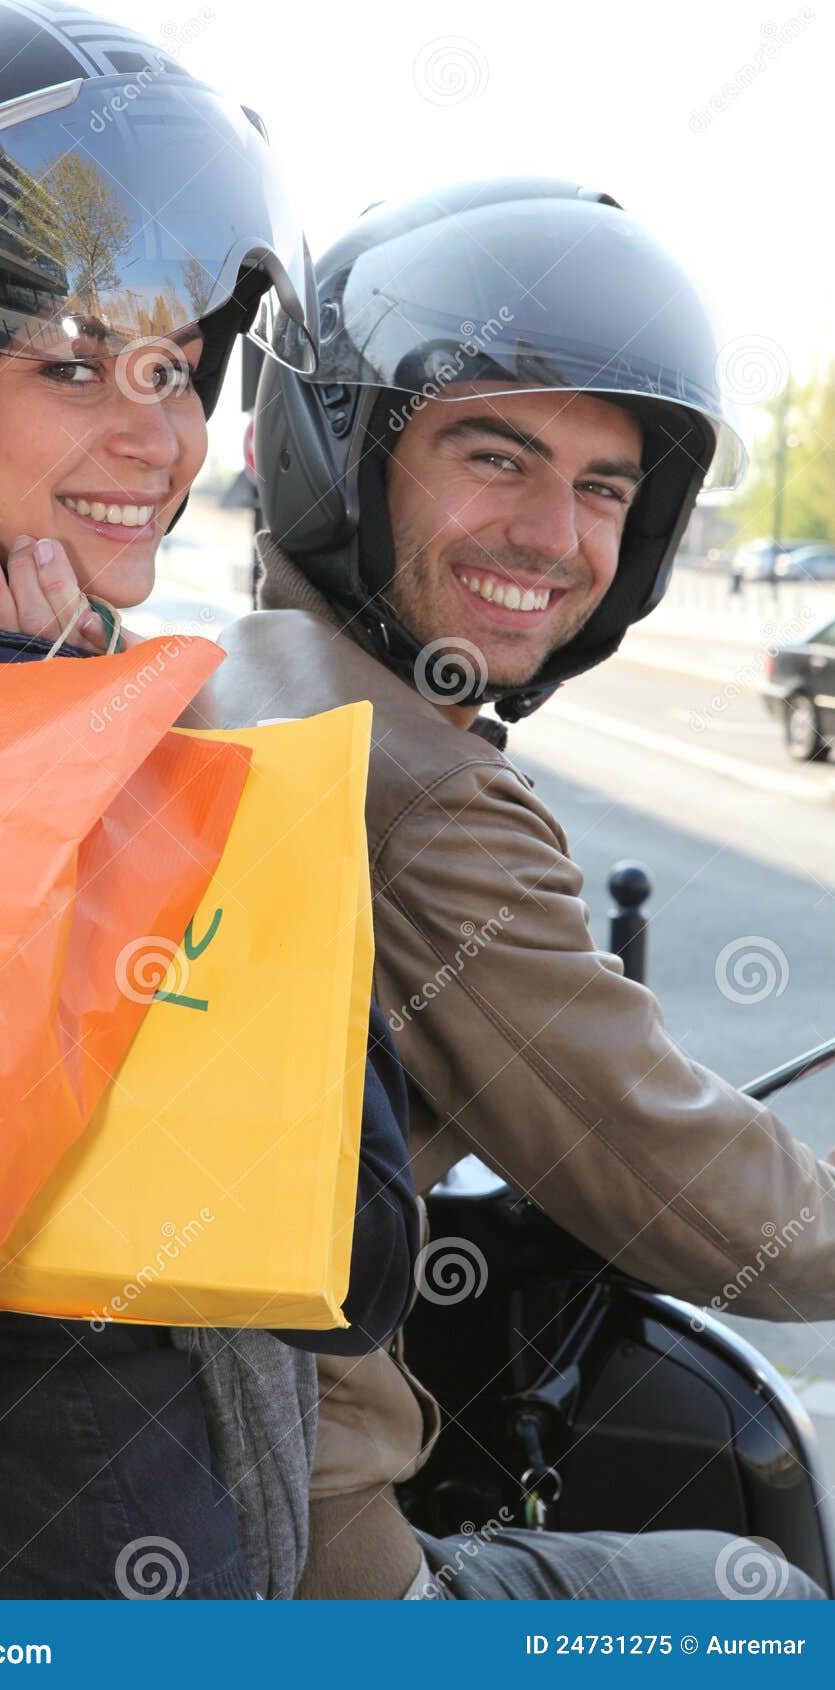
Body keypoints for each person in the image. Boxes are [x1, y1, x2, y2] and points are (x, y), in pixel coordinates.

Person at [0, 0, 418, 1600]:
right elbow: (360, 1242)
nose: (165, 433)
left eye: (178, 367)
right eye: (74, 364)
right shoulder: (22, 724)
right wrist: (67, 731)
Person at [211, 178, 834, 1600]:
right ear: (347, 457)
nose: (556, 535)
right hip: (312, 1567)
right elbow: (703, 1201)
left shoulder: (223, 679)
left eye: (603, 487)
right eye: (496, 457)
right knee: (761, 1604)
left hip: (156, 1499)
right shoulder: (416, 784)